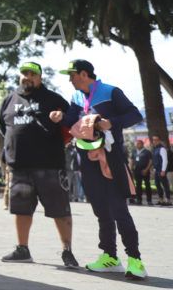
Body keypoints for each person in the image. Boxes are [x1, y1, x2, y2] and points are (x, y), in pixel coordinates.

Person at [56, 59, 146, 279]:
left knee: (118, 208)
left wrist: (111, 122)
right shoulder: (76, 97)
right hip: (87, 158)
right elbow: (71, 119)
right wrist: (60, 118)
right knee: (101, 209)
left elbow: (135, 115)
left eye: (72, 75)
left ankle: (135, 260)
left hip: (111, 157)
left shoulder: (111, 92)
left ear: (84, 74)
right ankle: (110, 257)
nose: (70, 80)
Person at [0, 61, 78, 268]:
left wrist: (62, 118)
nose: (28, 77)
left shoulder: (53, 99)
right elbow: (4, 128)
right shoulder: (8, 100)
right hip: (19, 167)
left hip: (49, 166)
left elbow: (72, 124)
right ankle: (22, 249)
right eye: (24, 73)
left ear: (40, 77)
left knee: (60, 211)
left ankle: (67, 251)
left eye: (33, 74)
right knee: (21, 210)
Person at [150, 135, 172, 206]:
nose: (154, 141)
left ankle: (168, 200)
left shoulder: (162, 149)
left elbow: (165, 160)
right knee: (157, 185)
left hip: (161, 170)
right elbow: (155, 160)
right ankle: (161, 199)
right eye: (153, 140)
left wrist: (163, 170)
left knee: (165, 185)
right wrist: (154, 169)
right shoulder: (155, 149)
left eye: (156, 140)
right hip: (156, 170)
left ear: (159, 141)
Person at [132, 139, 153, 206]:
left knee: (147, 185)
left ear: (142, 144)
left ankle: (149, 200)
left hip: (145, 170)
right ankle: (139, 200)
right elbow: (132, 160)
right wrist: (131, 168)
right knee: (138, 185)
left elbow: (150, 161)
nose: (137, 145)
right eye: (136, 144)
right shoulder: (134, 151)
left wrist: (146, 169)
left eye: (139, 143)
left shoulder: (147, 152)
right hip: (137, 170)